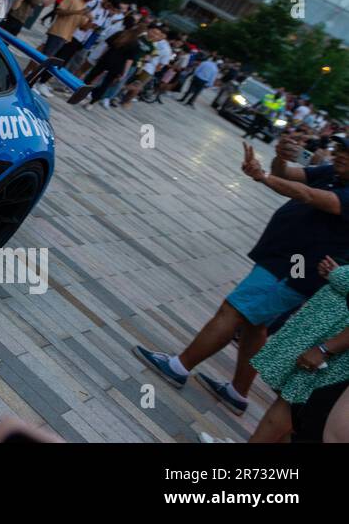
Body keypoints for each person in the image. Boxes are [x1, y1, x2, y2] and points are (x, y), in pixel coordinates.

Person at [136, 135, 349, 419]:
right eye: (341, 148)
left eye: (348, 151)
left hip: (295, 266)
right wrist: (280, 158)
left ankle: (179, 367)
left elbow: (307, 194)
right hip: (283, 257)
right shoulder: (332, 172)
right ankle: (238, 392)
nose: (340, 154)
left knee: (234, 310)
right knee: (254, 325)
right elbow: (288, 173)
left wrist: (262, 177)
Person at [246, 255, 349, 442]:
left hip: (336, 348)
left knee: (291, 405)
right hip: (332, 341)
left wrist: (325, 349)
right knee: (295, 410)